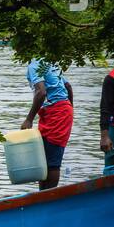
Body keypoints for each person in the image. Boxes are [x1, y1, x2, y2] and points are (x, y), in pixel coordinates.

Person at [22, 58, 74, 189]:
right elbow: (68, 86)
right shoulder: (49, 62)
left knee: (52, 162)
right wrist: (69, 108)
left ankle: (48, 196)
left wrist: (29, 119)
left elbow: (41, 92)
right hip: (53, 111)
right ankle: (42, 193)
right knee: (43, 158)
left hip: (57, 112)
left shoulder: (34, 65)